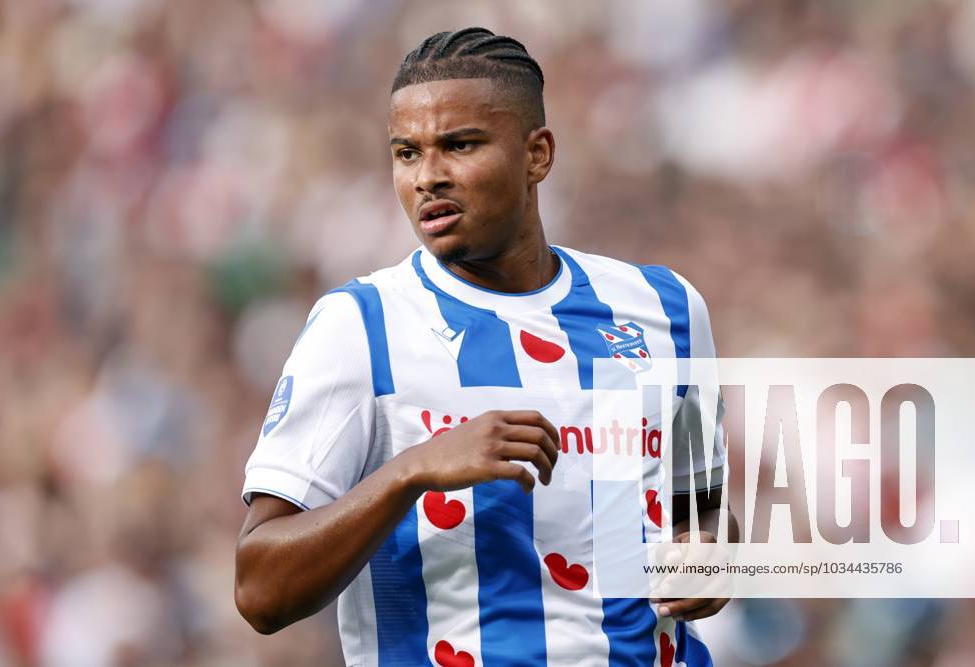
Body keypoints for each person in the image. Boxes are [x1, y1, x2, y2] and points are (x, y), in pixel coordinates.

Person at [235, 27, 738, 666]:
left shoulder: (665, 308)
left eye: (459, 145)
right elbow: (258, 589)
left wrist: (712, 555)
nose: (427, 178)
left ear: (538, 155)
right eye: (406, 153)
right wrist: (411, 471)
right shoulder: (362, 326)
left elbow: (702, 516)